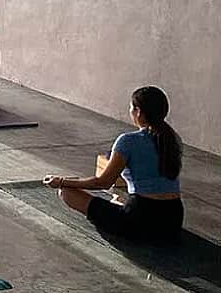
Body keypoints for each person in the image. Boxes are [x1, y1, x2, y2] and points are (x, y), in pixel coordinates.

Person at [43, 86, 184, 241]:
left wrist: (62, 182)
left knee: (66, 192)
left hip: (140, 220)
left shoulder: (128, 141)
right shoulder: (173, 139)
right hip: (173, 220)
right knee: (122, 201)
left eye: (131, 108)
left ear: (138, 112)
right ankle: (121, 206)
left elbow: (102, 183)